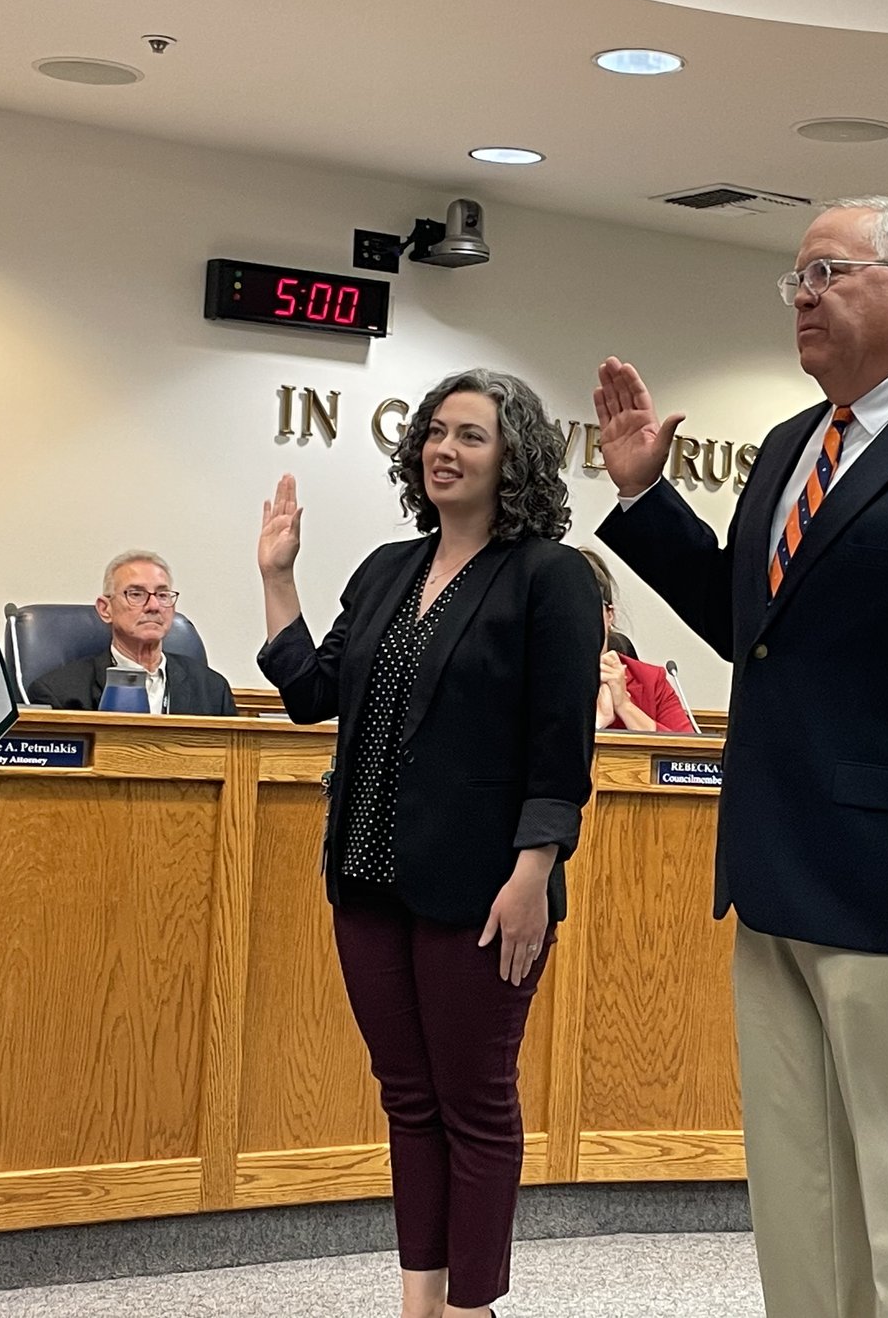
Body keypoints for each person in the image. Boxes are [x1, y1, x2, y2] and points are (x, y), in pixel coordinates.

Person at [592, 195, 888, 1318]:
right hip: (773, 878)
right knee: (797, 1188)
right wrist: (642, 498)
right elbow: (750, 621)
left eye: (828, 272)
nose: (803, 296)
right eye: (796, 279)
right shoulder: (788, 446)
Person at [256, 368, 601, 1318]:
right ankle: (419, 1301)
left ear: (513, 457)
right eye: (435, 432)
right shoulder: (384, 569)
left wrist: (535, 870)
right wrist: (279, 578)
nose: (444, 449)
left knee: (475, 1109)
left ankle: (470, 1307)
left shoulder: (551, 576)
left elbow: (559, 743)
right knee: (408, 1100)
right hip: (368, 878)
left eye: (471, 436)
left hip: (486, 887)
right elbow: (311, 695)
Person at [28, 550, 237, 714]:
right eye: (136, 594)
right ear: (105, 609)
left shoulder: (212, 689)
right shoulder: (59, 692)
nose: (153, 605)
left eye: (163, 595)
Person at [578, 546, 695, 733]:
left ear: (610, 615)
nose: (577, 620)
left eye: (588, 608)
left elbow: (684, 756)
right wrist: (596, 725)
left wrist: (625, 706)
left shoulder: (650, 680)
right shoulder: (536, 677)